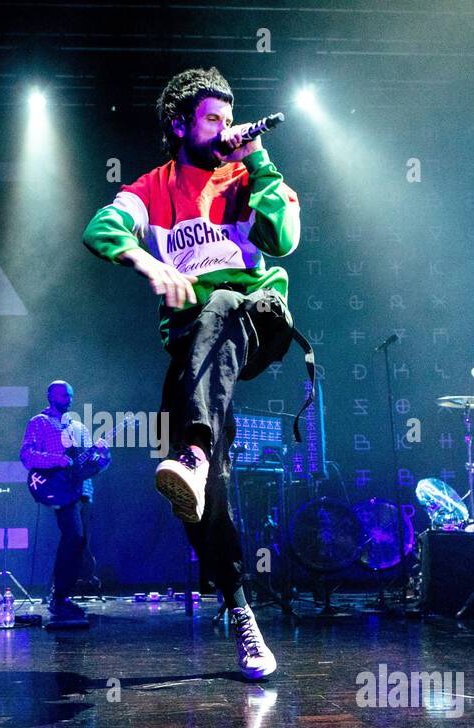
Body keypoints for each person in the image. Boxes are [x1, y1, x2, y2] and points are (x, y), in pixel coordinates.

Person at [82, 67, 308, 679]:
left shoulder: (247, 174)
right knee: (200, 500)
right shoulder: (153, 188)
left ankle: (197, 451)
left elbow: (283, 237)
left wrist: (260, 161)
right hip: (195, 349)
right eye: (212, 118)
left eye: (229, 118)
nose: (225, 128)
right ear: (180, 124)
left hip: (256, 317)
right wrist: (143, 262)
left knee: (222, 304)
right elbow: (100, 226)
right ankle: (242, 614)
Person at [20, 381, 107, 625]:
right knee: (73, 538)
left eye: (70, 394)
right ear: (50, 395)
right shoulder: (39, 422)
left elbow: (89, 462)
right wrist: (57, 459)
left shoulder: (78, 426)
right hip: (56, 489)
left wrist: (102, 457)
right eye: (62, 394)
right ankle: (59, 598)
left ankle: (61, 597)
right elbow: (26, 456)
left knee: (78, 543)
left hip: (80, 491)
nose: (68, 398)